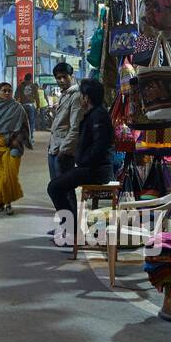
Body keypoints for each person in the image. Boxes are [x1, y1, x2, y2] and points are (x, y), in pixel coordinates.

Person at [47, 78, 114, 244]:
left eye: (82, 96)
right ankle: (72, 229)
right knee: (58, 186)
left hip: (96, 170)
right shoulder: (94, 114)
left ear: (87, 98)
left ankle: (72, 232)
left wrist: (81, 161)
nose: (81, 99)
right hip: (92, 167)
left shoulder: (98, 115)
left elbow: (100, 145)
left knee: (54, 187)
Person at [0, 82, 29, 215]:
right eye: (4, 91)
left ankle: (8, 203)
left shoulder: (17, 108)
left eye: (9, 90)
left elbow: (24, 126)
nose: (7, 93)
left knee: (9, 176)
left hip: (13, 145)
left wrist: (18, 139)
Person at [47, 62, 84, 184]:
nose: (61, 80)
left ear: (71, 77)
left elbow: (75, 127)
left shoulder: (76, 96)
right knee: (56, 189)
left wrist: (63, 150)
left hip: (63, 152)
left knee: (65, 190)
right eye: (58, 78)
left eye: (64, 77)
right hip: (54, 148)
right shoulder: (64, 94)